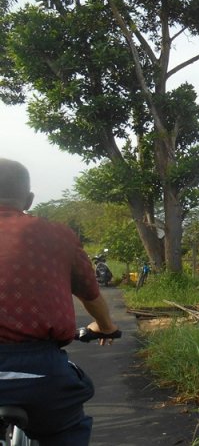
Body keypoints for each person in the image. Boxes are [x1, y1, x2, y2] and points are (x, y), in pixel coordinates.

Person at [0, 158, 120, 445]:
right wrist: (105, 326)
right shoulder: (57, 235)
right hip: (39, 370)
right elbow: (90, 293)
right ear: (29, 200)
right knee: (67, 429)